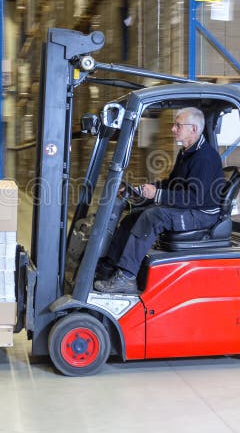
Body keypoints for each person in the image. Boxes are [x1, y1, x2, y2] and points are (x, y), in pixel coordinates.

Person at [94, 107, 225, 294]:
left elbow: (194, 198)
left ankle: (127, 278)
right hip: (191, 206)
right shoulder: (186, 153)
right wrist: (140, 190)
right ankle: (108, 267)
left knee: (153, 216)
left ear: (194, 129)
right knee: (133, 216)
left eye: (178, 125)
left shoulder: (205, 158)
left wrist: (157, 195)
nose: (173, 129)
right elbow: (172, 184)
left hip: (202, 213)